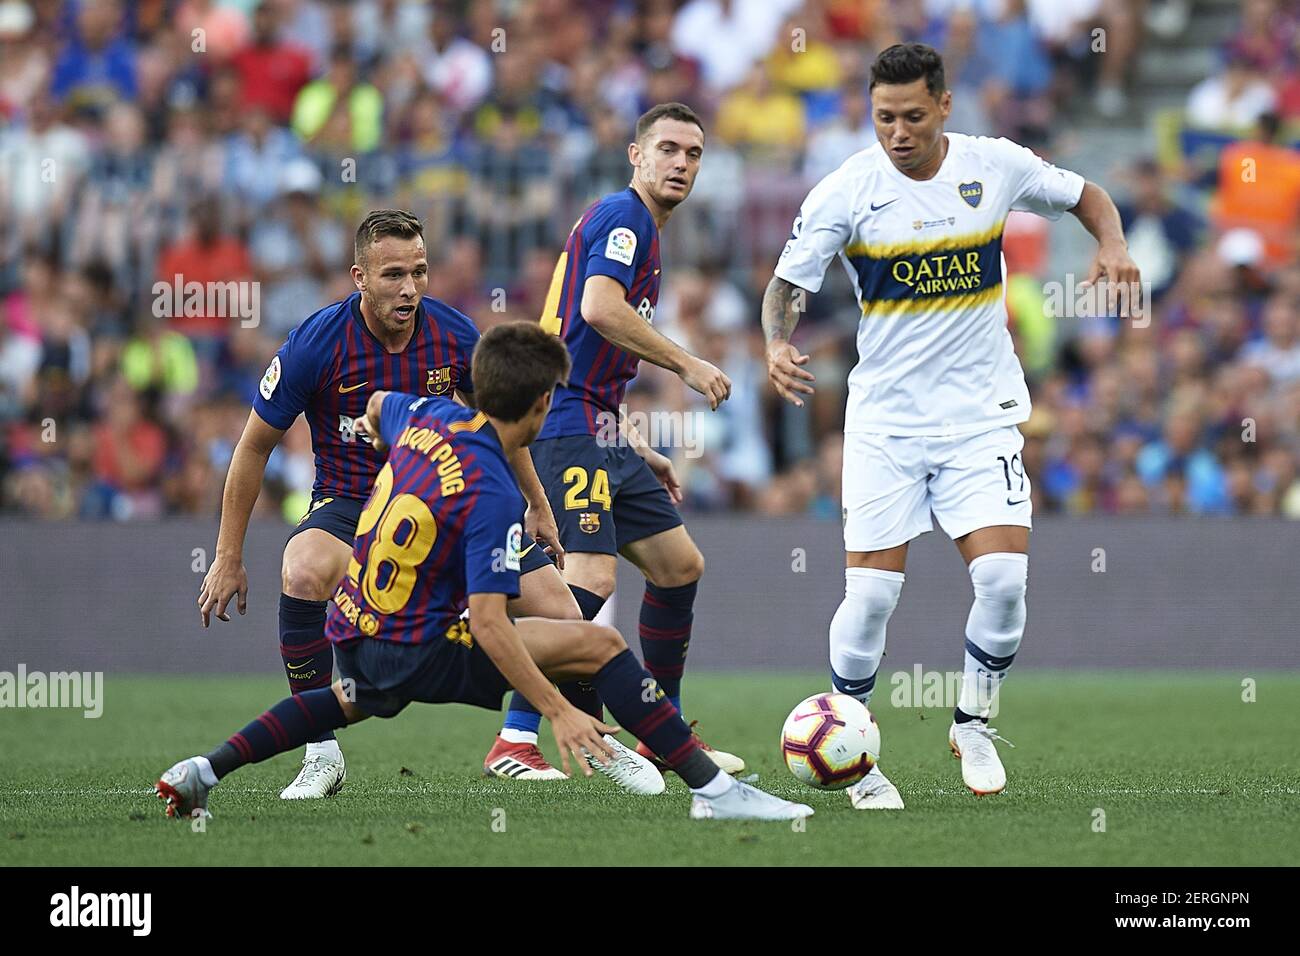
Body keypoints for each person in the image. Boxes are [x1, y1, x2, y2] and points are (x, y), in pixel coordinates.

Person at [159, 323, 813, 823]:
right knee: (601, 642)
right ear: (535, 409)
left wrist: (390, 452)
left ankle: (201, 772)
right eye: (551, 400)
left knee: (351, 698)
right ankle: (713, 791)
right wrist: (558, 712)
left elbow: (380, 404)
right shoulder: (489, 494)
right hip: (416, 645)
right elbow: (492, 626)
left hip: (355, 629)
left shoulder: (424, 414)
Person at [761, 43, 1140, 808]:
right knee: (869, 599)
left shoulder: (993, 165)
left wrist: (1114, 244)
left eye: (909, 116)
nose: (895, 133)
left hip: (979, 417)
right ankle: (857, 751)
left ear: (943, 108)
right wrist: (775, 341)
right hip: (886, 426)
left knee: (1002, 581)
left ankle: (972, 721)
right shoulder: (847, 191)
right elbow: (785, 286)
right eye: (881, 118)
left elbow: (1086, 193)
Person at [196, 210, 582, 799]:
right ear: (359, 277)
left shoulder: (455, 335)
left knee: (563, 611)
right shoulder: (314, 344)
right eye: (393, 274)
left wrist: (538, 505)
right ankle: (320, 751)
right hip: (352, 504)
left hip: (446, 504)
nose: (409, 288)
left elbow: (506, 422)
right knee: (301, 570)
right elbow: (253, 448)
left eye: (420, 272)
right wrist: (228, 554)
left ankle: (516, 745)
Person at [482, 102, 745, 778]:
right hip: (565, 421)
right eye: (667, 149)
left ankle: (661, 731)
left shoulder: (644, 235)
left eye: (693, 153)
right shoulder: (624, 218)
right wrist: (686, 363)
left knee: (677, 564)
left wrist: (634, 441)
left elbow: (585, 344)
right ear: (636, 155)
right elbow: (599, 309)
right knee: (590, 573)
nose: (681, 163)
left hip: (597, 420)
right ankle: (514, 737)